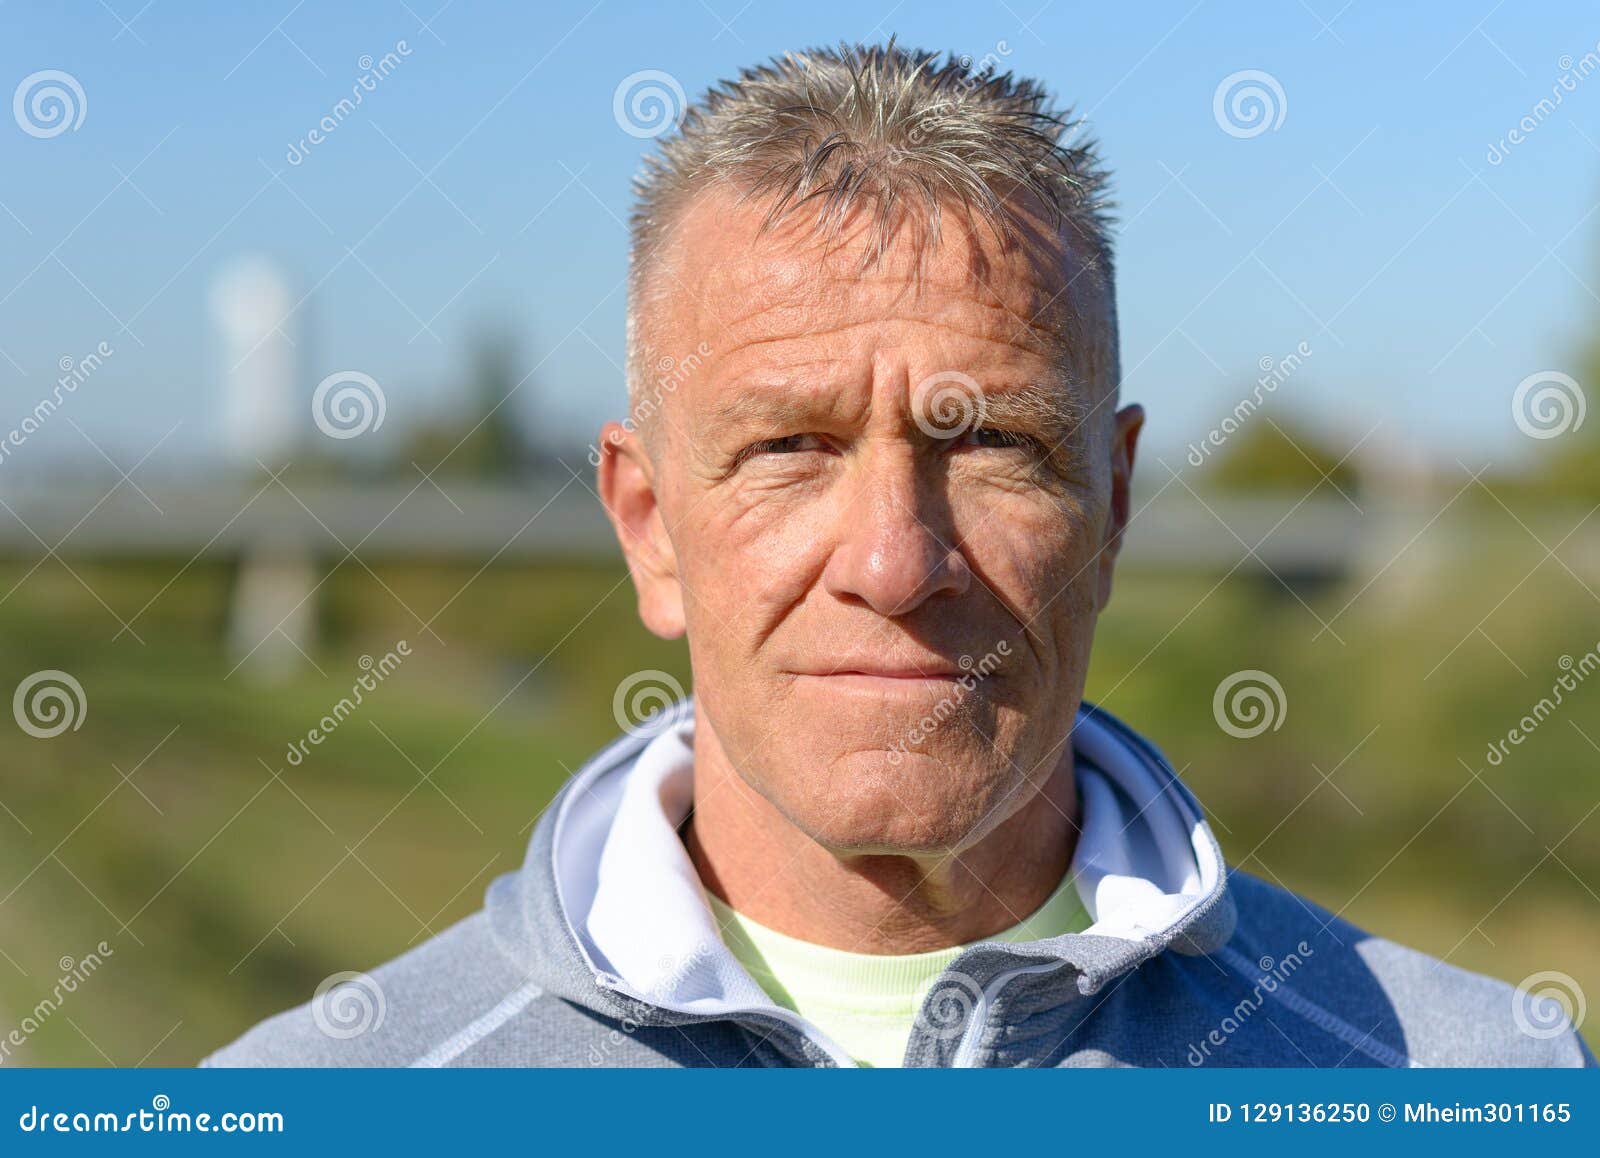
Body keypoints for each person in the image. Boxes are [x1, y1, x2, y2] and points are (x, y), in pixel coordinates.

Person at [206, 42, 1592, 1068]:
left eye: (991, 443)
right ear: (648, 526)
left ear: (1111, 510)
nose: (893, 558)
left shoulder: (1466, 1083)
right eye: (789, 447)